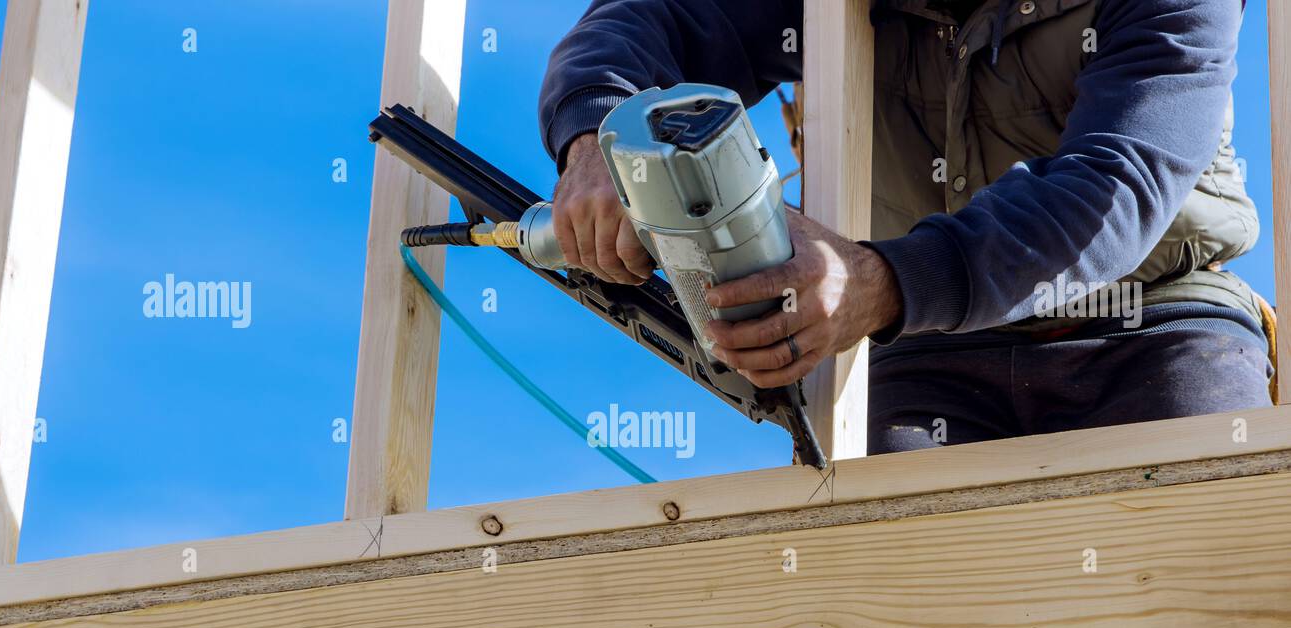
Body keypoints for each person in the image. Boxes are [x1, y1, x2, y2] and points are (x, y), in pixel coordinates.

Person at [538, 0, 1271, 454]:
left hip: (1156, 328)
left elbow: (1115, 184)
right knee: (867, 617)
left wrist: (883, 283)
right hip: (928, 347)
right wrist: (600, 137)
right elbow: (649, 16)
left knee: (1207, 587)